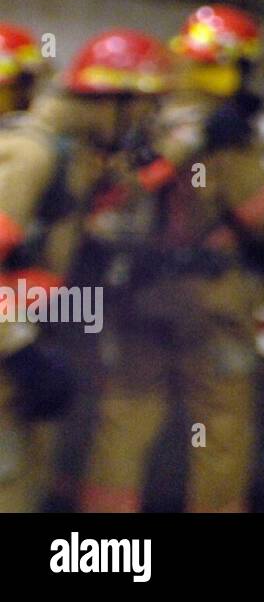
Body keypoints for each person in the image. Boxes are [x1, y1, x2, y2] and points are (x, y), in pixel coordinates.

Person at [80, 6, 264, 513]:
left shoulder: (149, 124)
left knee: (126, 412)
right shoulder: (228, 141)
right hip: (211, 302)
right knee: (220, 422)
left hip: (138, 289)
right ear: (237, 68)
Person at [0, 28, 173, 512]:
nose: (146, 121)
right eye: (142, 108)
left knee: (26, 482)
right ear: (110, 100)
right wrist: (18, 351)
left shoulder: (66, 154)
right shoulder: (31, 154)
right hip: (10, 356)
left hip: (29, 347)